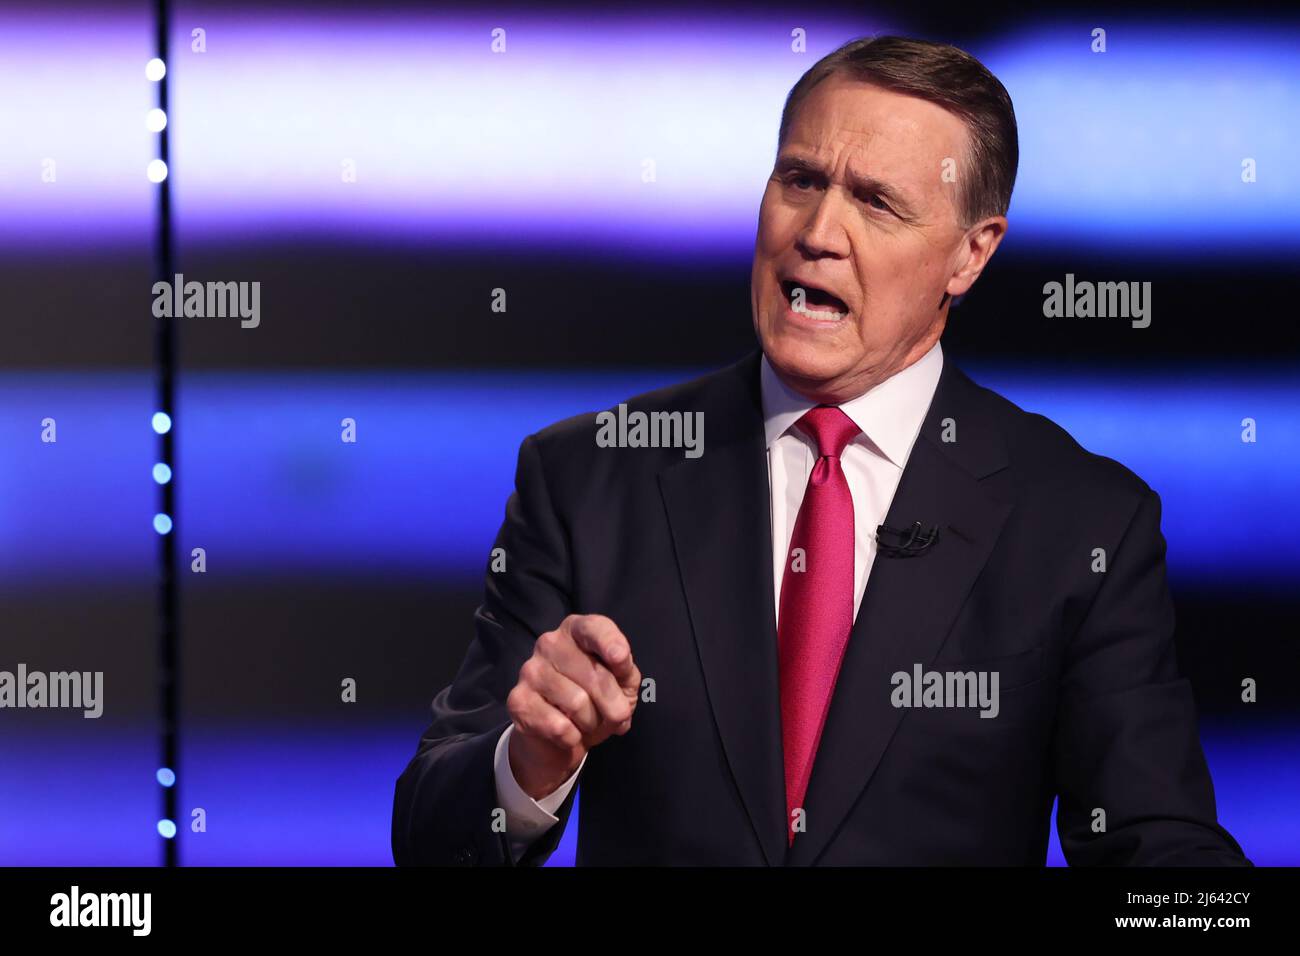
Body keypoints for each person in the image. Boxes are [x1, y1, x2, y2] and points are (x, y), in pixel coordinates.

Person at [391, 35, 1249, 866]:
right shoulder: (588, 478)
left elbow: (1158, 848)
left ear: (970, 254)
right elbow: (431, 838)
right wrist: (531, 762)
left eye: (876, 201)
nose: (819, 231)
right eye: (800, 180)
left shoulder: (1082, 522)